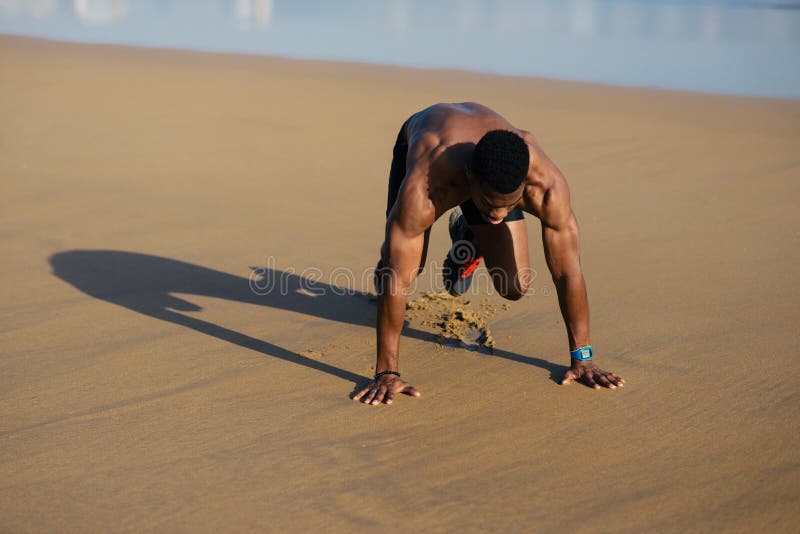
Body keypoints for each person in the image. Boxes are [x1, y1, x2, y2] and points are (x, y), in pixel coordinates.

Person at [354, 102, 624, 406]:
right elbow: (397, 279)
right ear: (470, 178)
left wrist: (582, 357)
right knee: (404, 268)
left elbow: (567, 271)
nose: (498, 215)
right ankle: (463, 224)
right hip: (422, 145)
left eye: (508, 204)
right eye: (491, 204)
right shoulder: (426, 187)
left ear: (524, 183)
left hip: (488, 174)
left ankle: (468, 235)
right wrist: (386, 372)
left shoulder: (548, 186)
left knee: (515, 286)